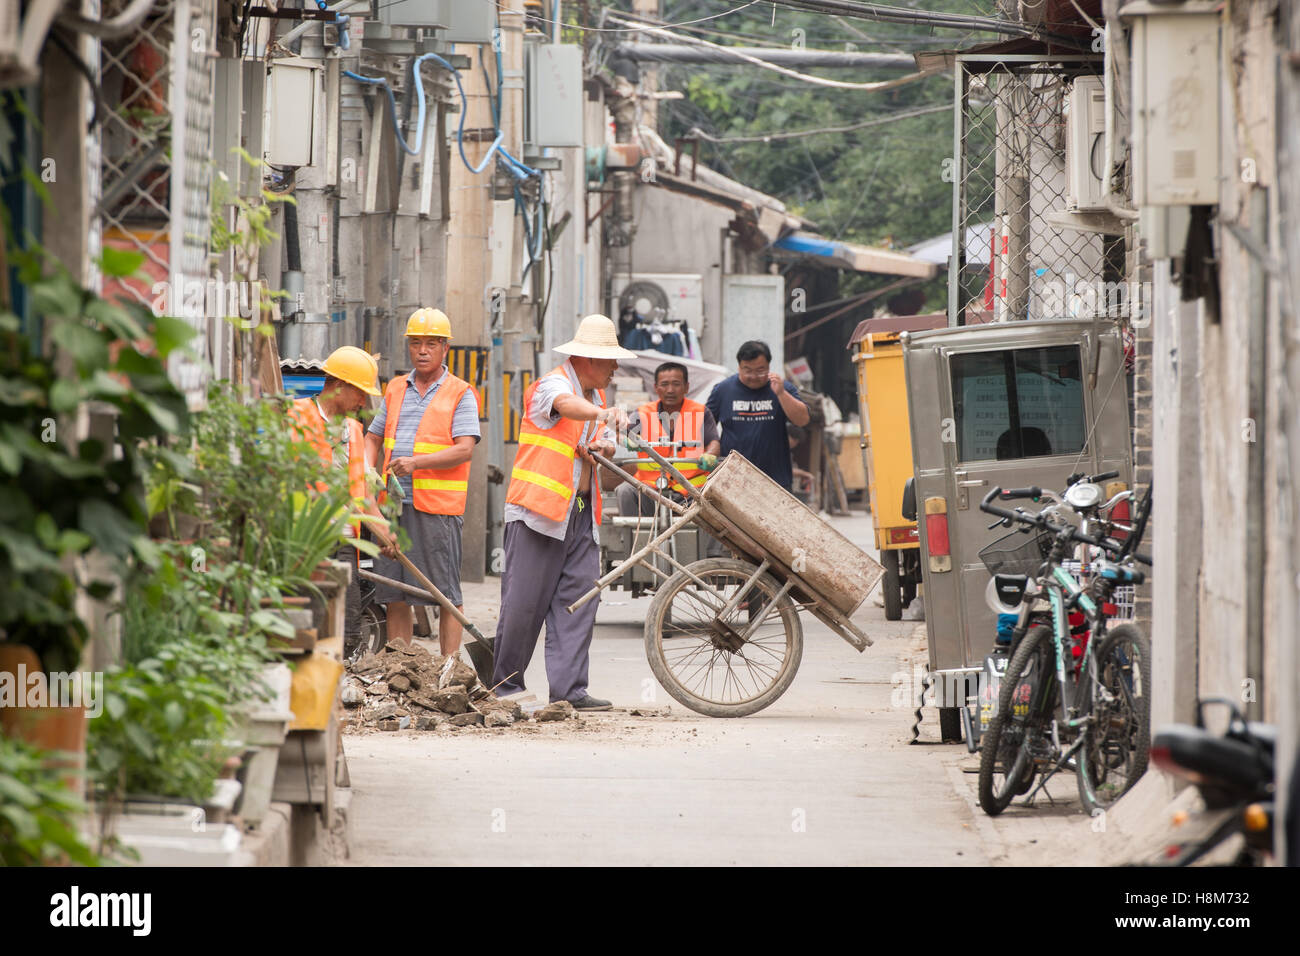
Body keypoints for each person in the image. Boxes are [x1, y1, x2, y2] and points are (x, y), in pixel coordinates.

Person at [491, 314, 633, 711]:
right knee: (523, 603)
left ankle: (570, 691)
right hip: (539, 513)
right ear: (588, 358)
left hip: (581, 512)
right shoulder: (551, 385)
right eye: (610, 361)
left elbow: (599, 440)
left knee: (580, 600)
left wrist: (603, 446)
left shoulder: (597, 397)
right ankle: (504, 686)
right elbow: (564, 406)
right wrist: (600, 417)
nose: (615, 368)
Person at [363, 308, 480, 655]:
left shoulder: (461, 393)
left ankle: (449, 670)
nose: (423, 350)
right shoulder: (396, 387)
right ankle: (401, 670)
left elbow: (464, 450)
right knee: (395, 593)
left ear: (445, 348)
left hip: (437, 510)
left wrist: (417, 463)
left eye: (431, 344)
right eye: (416, 344)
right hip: (393, 506)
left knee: (444, 594)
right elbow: (373, 436)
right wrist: (369, 471)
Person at [287, 346, 399, 654]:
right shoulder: (295, 416)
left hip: (343, 543)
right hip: (306, 542)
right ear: (338, 386)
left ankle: (338, 691)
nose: (363, 400)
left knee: (347, 631)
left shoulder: (353, 430)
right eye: (360, 392)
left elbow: (362, 493)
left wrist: (385, 534)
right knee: (306, 628)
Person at [617, 361, 722, 517]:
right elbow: (622, 434)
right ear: (656, 388)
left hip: (690, 490)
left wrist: (710, 455)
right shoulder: (642, 413)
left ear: (686, 387)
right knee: (625, 491)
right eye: (664, 384)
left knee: (716, 497)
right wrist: (627, 441)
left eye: (676, 384)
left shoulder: (700, 412)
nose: (670, 390)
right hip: (650, 487)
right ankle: (635, 540)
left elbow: (713, 441)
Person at [706, 340, 810, 491]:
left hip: (775, 480)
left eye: (760, 370)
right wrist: (709, 453)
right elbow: (705, 428)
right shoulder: (722, 390)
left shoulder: (783, 388)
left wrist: (781, 394)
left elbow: (803, 420)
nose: (753, 376)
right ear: (739, 367)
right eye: (747, 370)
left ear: (769, 367)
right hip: (731, 479)